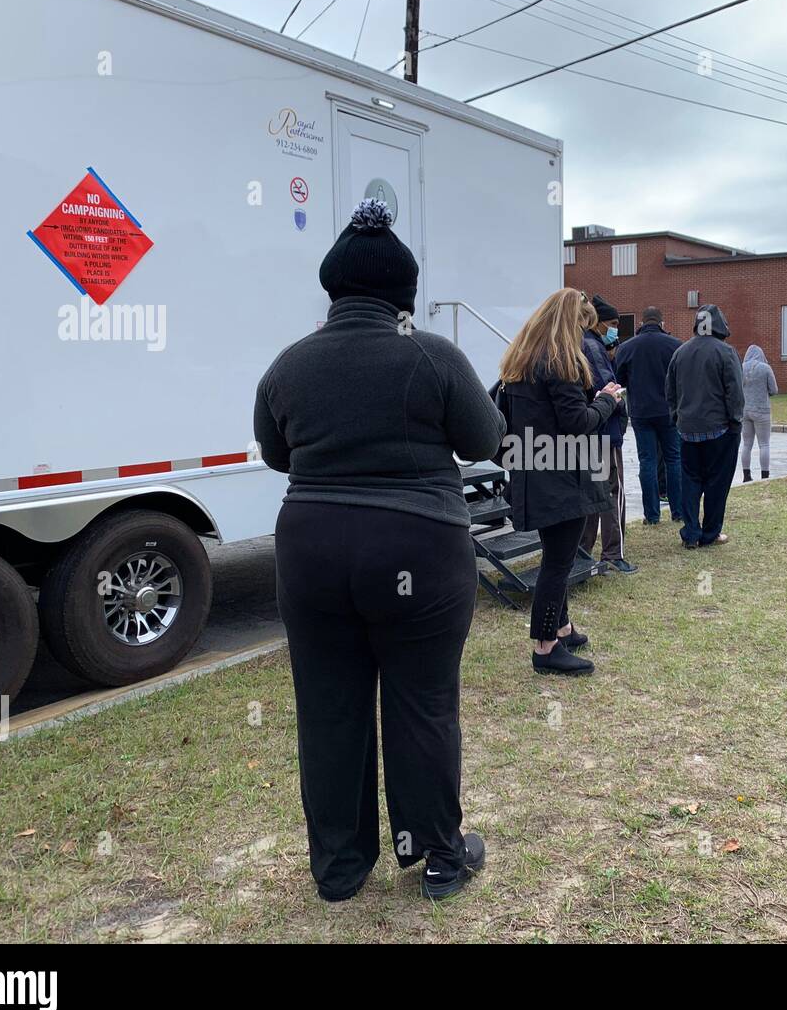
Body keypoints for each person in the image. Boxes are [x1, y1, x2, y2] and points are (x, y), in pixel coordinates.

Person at [254, 198, 504, 904]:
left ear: (332, 289)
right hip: (418, 547)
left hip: (312, 549)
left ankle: (338, 867)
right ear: (406, 294)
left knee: (329, 706)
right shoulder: (433, 355)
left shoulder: (288, 364)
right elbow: (484, 442)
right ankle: (437, 858)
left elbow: (278, 454)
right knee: (423, 700)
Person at [497, 289, 624, 676]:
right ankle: (545, 646)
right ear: (570, 323)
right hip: (560, 475)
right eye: (582, 326)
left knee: (559, 555)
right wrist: (607, 400)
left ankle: (562, 628)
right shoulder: (561, 365)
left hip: (533, 469)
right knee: (558, 562)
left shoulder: (520, 362)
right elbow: (576, 423)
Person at [666, 303, 744, 547]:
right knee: (717, 483)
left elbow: (670, 390)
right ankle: (710, 533)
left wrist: (676, 417)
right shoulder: (726, 352)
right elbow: (734, 392)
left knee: (690, 481)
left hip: (687, 429)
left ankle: (690, 532)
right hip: (719, 429)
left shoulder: (680, 352)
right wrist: (735, 420)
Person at [578, 296, 635, 573]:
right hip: (605, 431)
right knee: (613, 491)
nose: (615, 329)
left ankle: (583, 551)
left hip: (587, 432)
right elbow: (609, 389)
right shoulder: (594, 347)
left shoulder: (579, 344)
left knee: (591, 493)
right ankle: (614, 553)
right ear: (598, 322)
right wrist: (620, 406)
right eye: (612, 324)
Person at [614, 305, 683, 524]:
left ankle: (651, 515)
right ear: (662, 324)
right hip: (668, 412)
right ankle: (678, 511)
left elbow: (620, 380)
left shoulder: (627, 347)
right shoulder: (675, 346)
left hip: (642, 412)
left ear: (641, 324)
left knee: (648, 461)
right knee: (674, 459)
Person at [740, 344, 778, 481]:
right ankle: (765, 475)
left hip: (745, 410)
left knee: (746, 444)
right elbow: (774, 390)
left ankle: (746, 475)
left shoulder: (741, 368)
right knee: (764, 444)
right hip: (762, 410)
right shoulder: (765, 368)